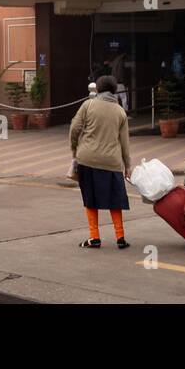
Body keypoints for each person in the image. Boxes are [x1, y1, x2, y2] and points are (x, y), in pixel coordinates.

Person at [69, 74, 132, 249]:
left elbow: (74, 128)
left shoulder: (88, 105)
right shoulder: (120, 111)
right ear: (114, 90)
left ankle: (94, 237)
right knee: (115, 199)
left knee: (90, 198)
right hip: (112, 162)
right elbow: (125, 142)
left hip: (87, 159)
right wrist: (128, 166)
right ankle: (120, 238)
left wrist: (75, 149)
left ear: (97, 89)